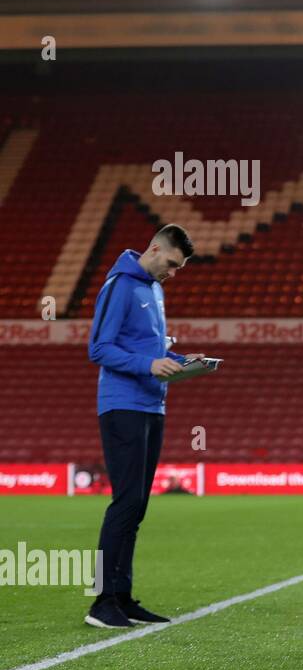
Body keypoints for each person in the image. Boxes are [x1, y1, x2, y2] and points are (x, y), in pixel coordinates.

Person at [85, 224, 202, 629]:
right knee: (125, 503)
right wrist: (149, 365)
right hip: (122, 405)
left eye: (178, 268)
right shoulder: (120, 285)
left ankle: (121, 596)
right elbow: (98, 347)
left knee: (137, 506)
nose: (173, 272)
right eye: (171, 264)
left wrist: (182, 361)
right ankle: (101, 601)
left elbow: (148, 351)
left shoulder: (154, 289)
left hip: (152, 405)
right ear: (154, 248)